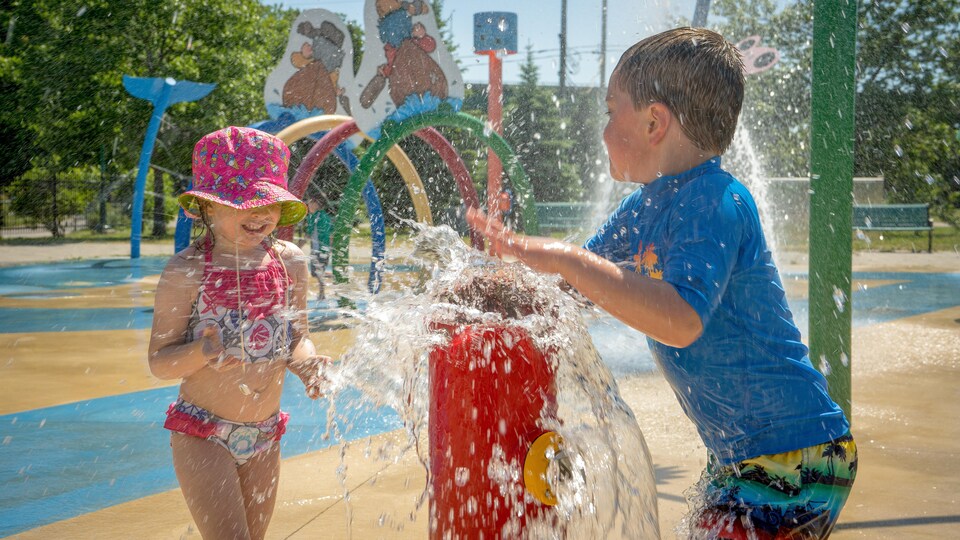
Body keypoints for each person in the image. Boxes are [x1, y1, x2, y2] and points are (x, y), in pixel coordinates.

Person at [467, 27, 856, 539]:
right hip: (741, 460)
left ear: (655, 122)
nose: (603, 131)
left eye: (611, 112)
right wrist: (482, 297)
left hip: (797, 455)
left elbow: (679, 321)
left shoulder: (715, 200)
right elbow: (571, 291)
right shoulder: (644, 207)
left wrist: (566, 260)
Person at [148, 126, 331, 540]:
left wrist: (307, 366)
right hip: (203, 432)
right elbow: (160, 361)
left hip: (266, 433)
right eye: (244, 202)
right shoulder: (187, 270)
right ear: (207, 207)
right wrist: (202, 351)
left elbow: (296, 338)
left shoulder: (290, 263)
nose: (261, 213)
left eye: (270, 202)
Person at [303, 196, 333, 300]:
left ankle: (322, 293)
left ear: (316, 204)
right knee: (316, 272)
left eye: (310, 203)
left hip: (321, 250)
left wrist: (297, 246)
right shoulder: (320, 216)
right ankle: (333, 277)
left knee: (319, 271)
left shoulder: (317, 217)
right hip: (319, 249)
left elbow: (308, 234)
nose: (308, 205)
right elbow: (331, 234)